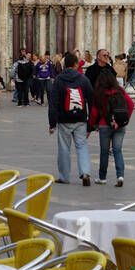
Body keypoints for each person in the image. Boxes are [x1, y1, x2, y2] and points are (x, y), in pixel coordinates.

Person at [48, 51, 93, 186]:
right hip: (80, 118)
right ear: (75, 64)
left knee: (64, 149)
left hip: (64, 119)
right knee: (82, 146)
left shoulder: (59, 80)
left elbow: (53, 103)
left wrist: (52, 123)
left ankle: (64, 177)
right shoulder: (83, 79)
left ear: (64, 64)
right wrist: (91, 123)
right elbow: (91, 100)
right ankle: (85, 172)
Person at [88, 67, 134, 186]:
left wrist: (93, 124)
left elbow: (94, 112)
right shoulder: (120, 90)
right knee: (117, 150)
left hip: (104, 125)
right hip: (120, 125)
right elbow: (131, 104)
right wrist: (125, 118)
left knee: (104, 152)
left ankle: (102, 177)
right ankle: (120, 176)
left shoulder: (99, 93)